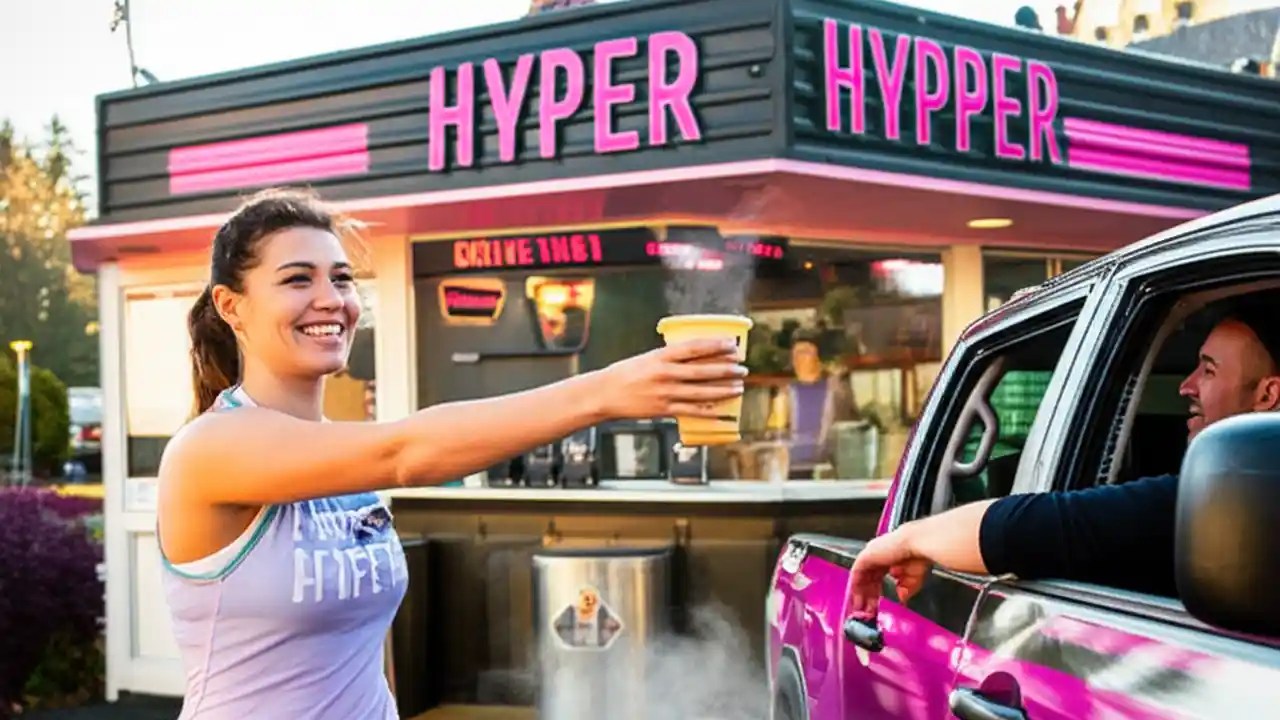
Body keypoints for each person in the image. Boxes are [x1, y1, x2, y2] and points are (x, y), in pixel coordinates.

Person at [156, 188, 746, 719]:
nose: (330, 299)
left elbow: (360, 651)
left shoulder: (349, 465)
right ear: (231, 307)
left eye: (341, 278)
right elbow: (407, 452)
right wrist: (607, 392)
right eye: (297, 280)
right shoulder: (210, 449)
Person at [849, 301, 1280, 614]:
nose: (1185, 387)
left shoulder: (1207, 502)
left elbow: (1029, 528)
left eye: (1208, 370)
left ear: (1268, 394)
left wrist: (904, 539)